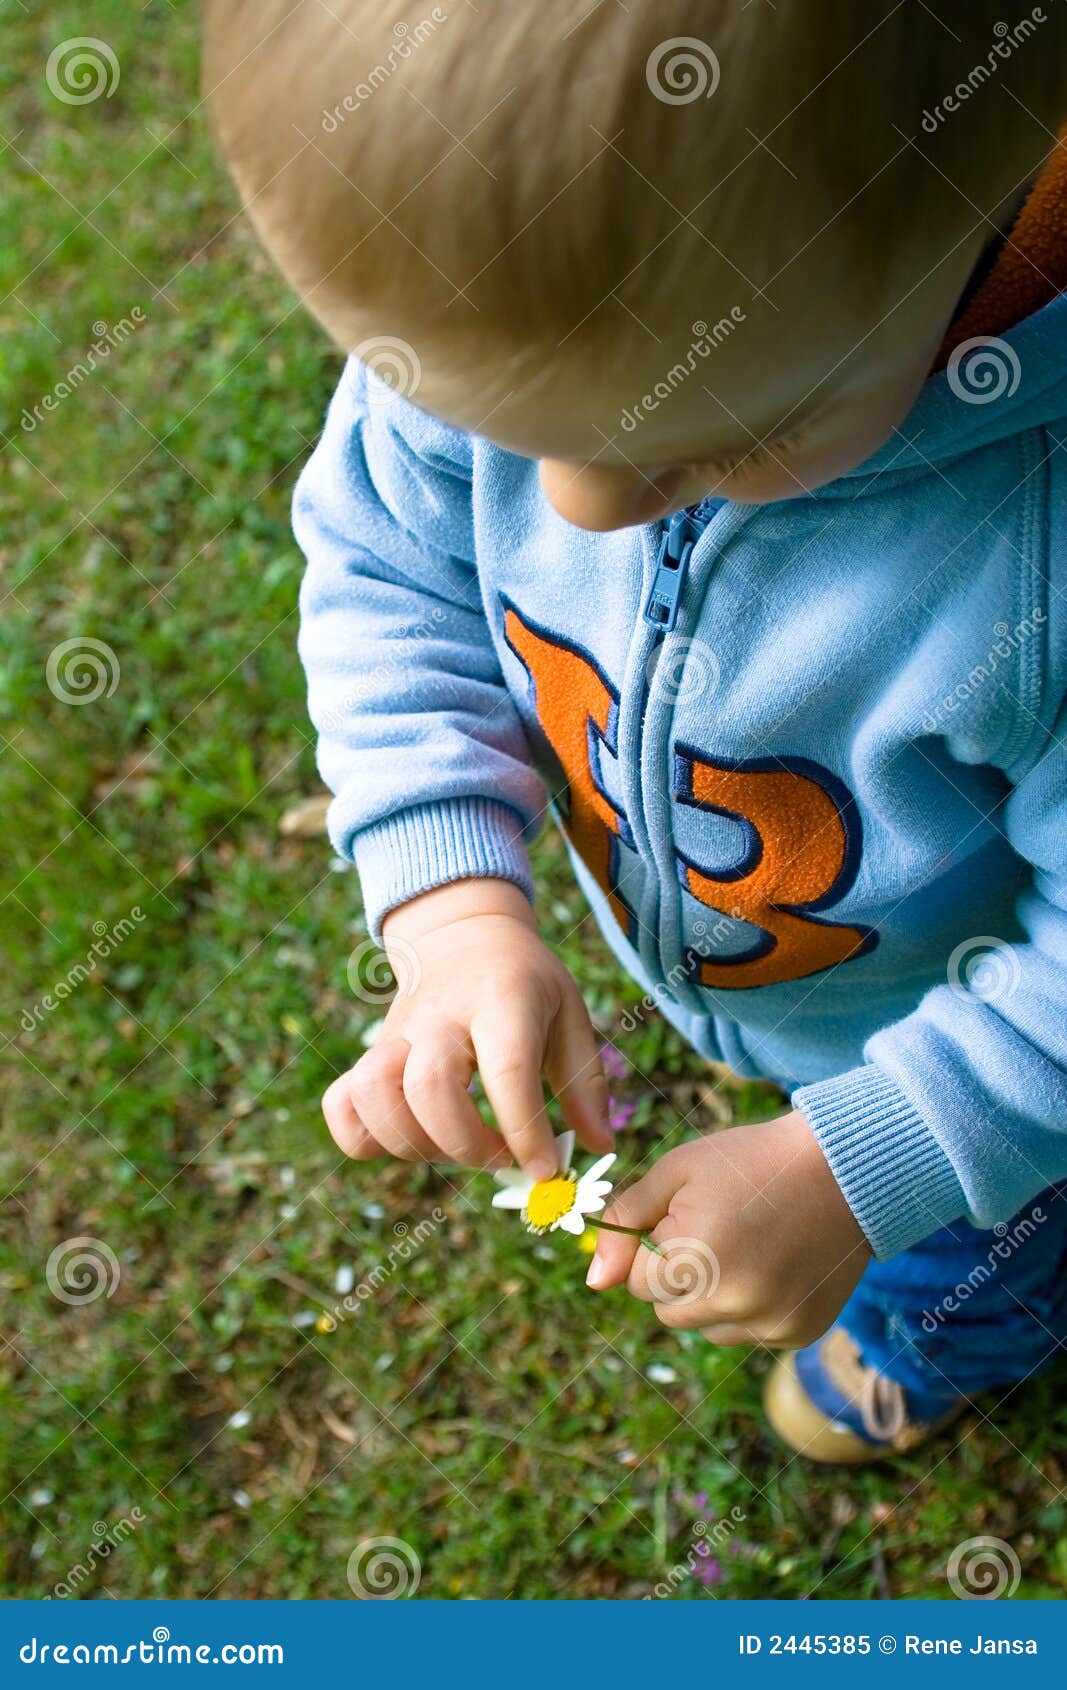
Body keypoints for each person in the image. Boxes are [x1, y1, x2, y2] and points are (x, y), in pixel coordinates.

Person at [205, 0, 1067, 1460]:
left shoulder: (1033, 534)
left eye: (712, 442)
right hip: (801, 970)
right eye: (479, 423)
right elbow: (387, 564)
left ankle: (952, 1326)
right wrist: (455, 906)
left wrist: (867, 1164)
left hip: (985, 1061)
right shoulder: (527, 295)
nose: (574, 510)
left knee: (998, 1223)